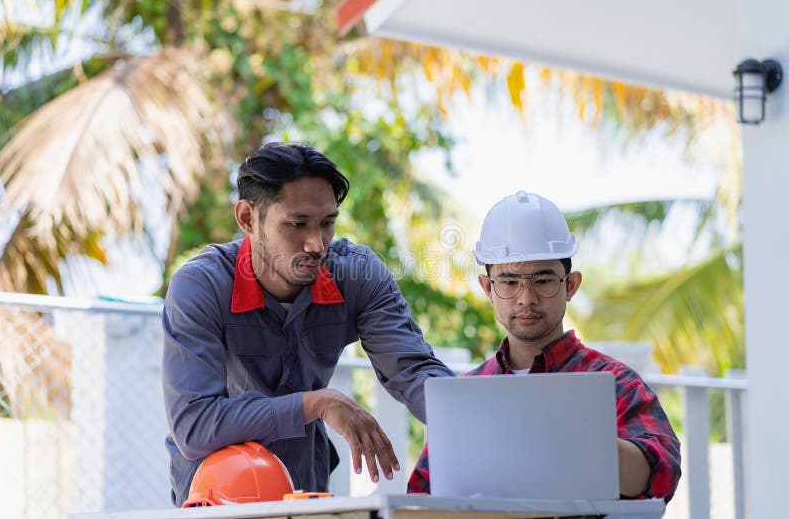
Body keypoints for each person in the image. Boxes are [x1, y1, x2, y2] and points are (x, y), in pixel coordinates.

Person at [162, 142, 454, 506]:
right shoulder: (201, 286)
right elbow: (195, 425)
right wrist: (316, 403)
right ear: (248, 218)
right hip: (217, 496)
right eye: (297, 224)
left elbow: (412, 371)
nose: (317, 244)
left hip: (305, 487)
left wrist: (469, 421)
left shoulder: (358, 275)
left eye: (327, 223)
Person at [407, 191, 682, 502]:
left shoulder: (616, 384)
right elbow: (420, 495)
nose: (526, 298)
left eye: (543, 280)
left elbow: (663, 474)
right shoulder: (464, 396)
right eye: (510, 281)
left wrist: (579, 440)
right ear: (488, 288)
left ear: (571, 285)